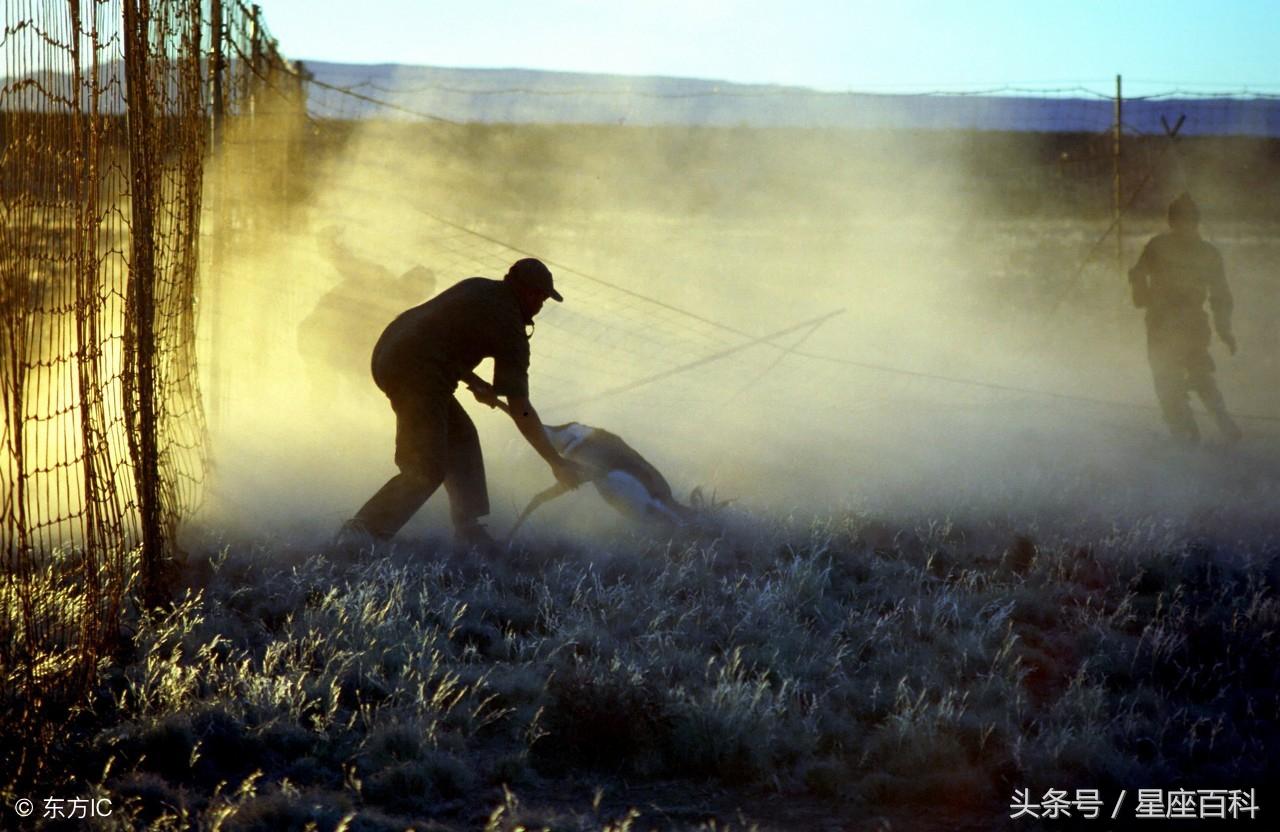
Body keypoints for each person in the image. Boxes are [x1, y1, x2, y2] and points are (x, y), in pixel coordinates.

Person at [342, 258, 586, 547]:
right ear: (529, 293)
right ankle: (361, 534)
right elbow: (520, 407)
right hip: (417, 371)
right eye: (541, 298)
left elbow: (437, 335)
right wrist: (555, 461)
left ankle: (468, 529)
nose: (540, 306)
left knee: (462, 438)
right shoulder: (510, 327)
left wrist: (473, 381)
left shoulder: (478, 287)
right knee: (426, 468)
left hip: (391, 350)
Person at [1128, 193, 1241, 444]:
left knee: (1192, 374)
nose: (1184, 226)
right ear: (1172, 222)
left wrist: (1225, 330)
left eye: (1188, 221)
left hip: (1184, 323)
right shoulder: (1162, 247)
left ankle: (1218, 421)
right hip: (1166, 322)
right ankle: (1188, 431)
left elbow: (1220, 295)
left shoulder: (1204, 253)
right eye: (1180, 221)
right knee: (1174, 376)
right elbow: (1137, 273)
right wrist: (1141, 294)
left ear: (1195, 222)